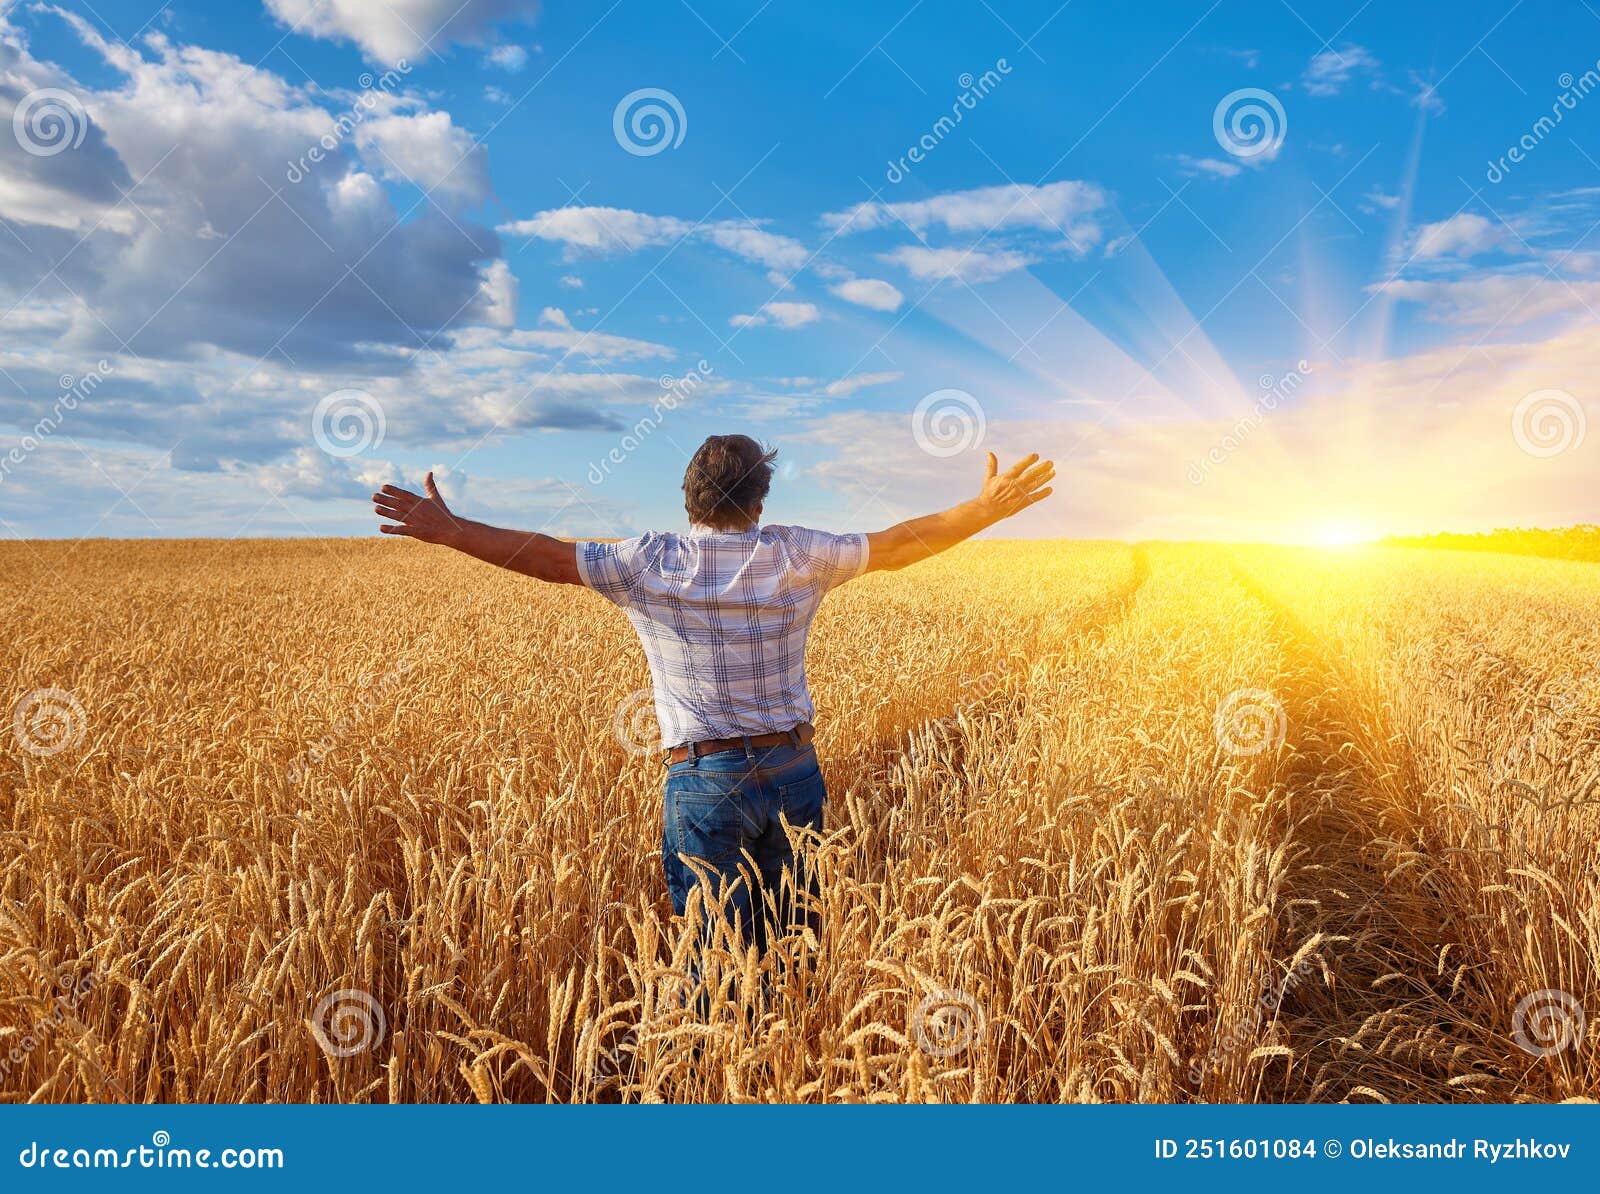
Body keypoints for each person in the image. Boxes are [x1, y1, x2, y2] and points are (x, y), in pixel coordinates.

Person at [372, 435, 1054, 952]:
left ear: (688, 498)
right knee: (793, 947)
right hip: (794, 773)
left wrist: (453, 531)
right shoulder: (800, 554)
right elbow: (901, 544)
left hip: (703, 779)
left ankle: (711, 1087)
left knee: (712, 962)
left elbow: (547, 556)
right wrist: (982, 510)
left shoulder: (648, 562)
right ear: (760, 502)